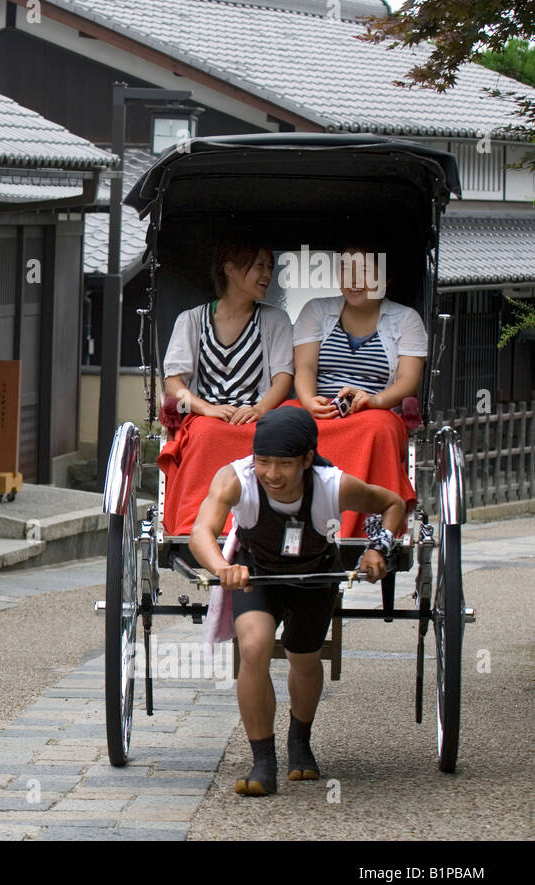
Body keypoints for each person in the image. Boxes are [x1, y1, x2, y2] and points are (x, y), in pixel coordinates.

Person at [190, 406, 405, 796]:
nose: (272, 474)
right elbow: (200, 532)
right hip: (256, 572)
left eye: (285, 464)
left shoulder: (332, 485)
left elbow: (393, 504)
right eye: (263, 462)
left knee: (303, 656)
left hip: (316, 574)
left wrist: (378, 549)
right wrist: (222, 566)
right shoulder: (234, 480)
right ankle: (263, 760)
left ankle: (300, 742)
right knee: (253, 647)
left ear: (307, 459)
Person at [158, 240, 294, 535]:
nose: (267, 275)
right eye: (259, 266)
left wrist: (258, 409)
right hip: (205, 412)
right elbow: (173, 382)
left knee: (267, 438)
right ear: (230, 269)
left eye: (270, 267)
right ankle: (196, 524)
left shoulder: (275, 319)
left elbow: (283, 378)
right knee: (207, 433)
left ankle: (261, 525)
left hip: (258, 412)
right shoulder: (192, 319)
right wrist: (208, 409)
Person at [290, 245, 426, 535]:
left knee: (378, 429)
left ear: (386, 279)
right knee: (279, 424)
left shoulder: (406, 319)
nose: (353, 281)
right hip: (320, 405)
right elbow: (305, 368)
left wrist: (373, 400)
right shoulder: (317, 310)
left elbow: (407, 380)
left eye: (364, 272)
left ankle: (368, 526)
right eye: (346, 271)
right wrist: (308, 400)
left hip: (375, 408)